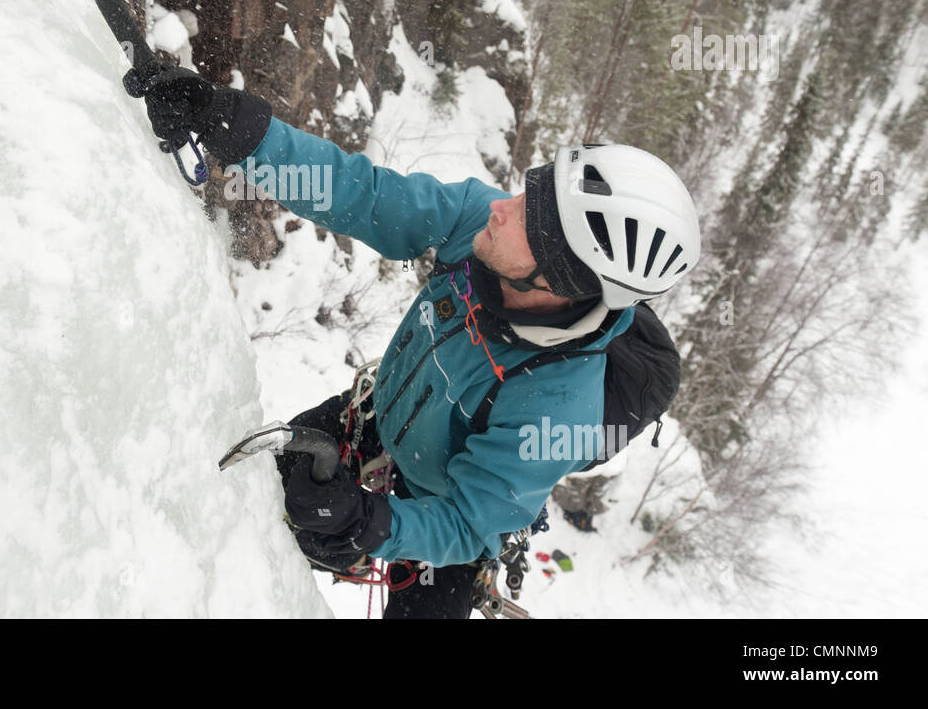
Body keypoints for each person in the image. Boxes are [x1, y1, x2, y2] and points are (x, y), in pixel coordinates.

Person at [141, 67, 701, 618]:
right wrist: (240, 132)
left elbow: (465, 522)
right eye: (527, 191)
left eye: (529, 221)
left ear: (559, 282)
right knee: (250, 497)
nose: (500, 207)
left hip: (447, 511)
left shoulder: (559, 406)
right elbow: (360, 195)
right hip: (377, 417)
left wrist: (367, 523)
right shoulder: (477, 225)